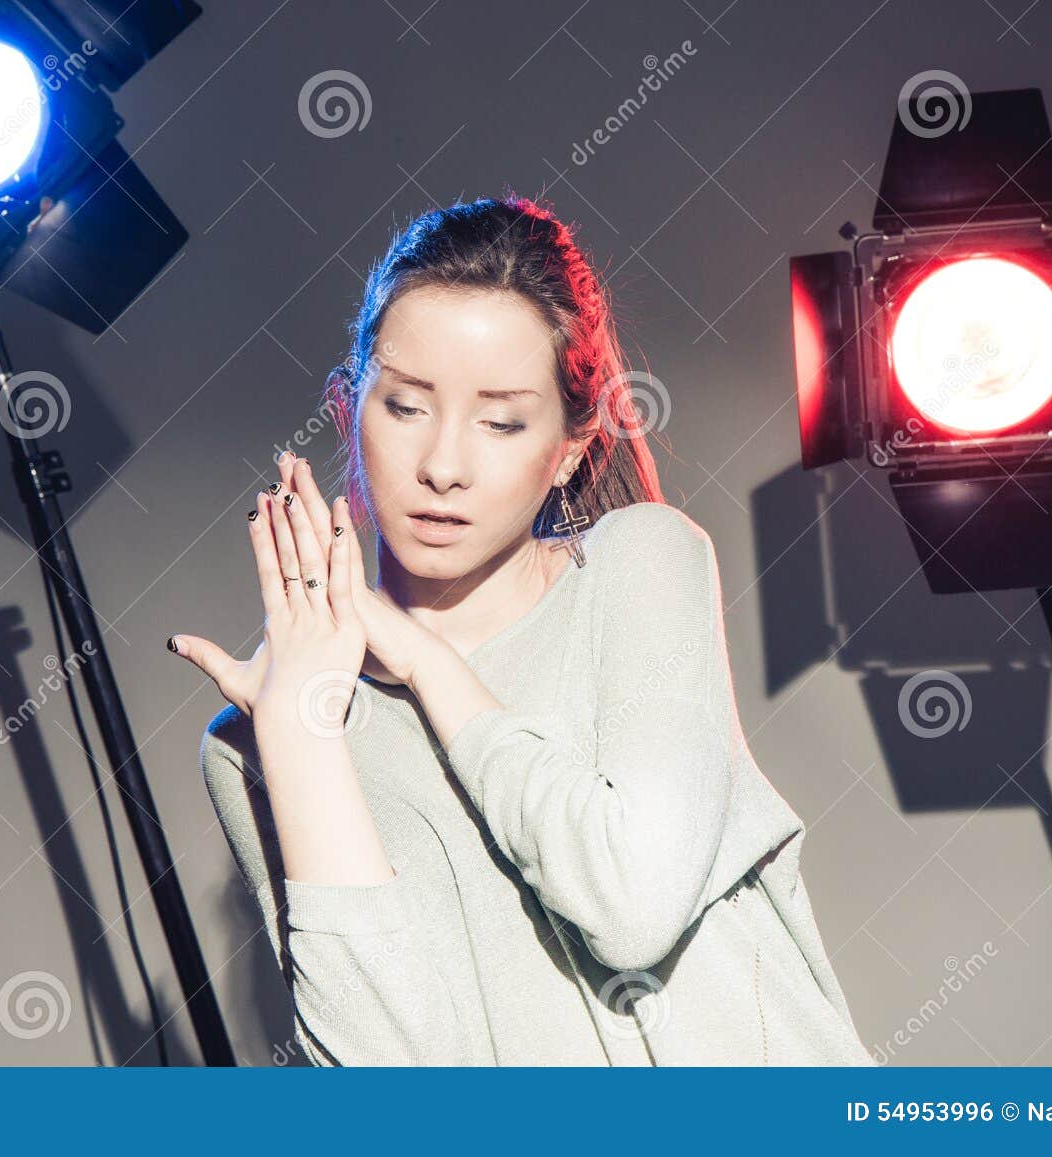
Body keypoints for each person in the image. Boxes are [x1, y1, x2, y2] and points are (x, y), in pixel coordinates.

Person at [168, 194, 874, 1066]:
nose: (443, 466)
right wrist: (303, 738)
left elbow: (631, 906)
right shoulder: (259, 740)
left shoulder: (638, 562)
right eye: (405, 406)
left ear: (573, 445)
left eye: (500, 421)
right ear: (348, 405)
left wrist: (424, 659)